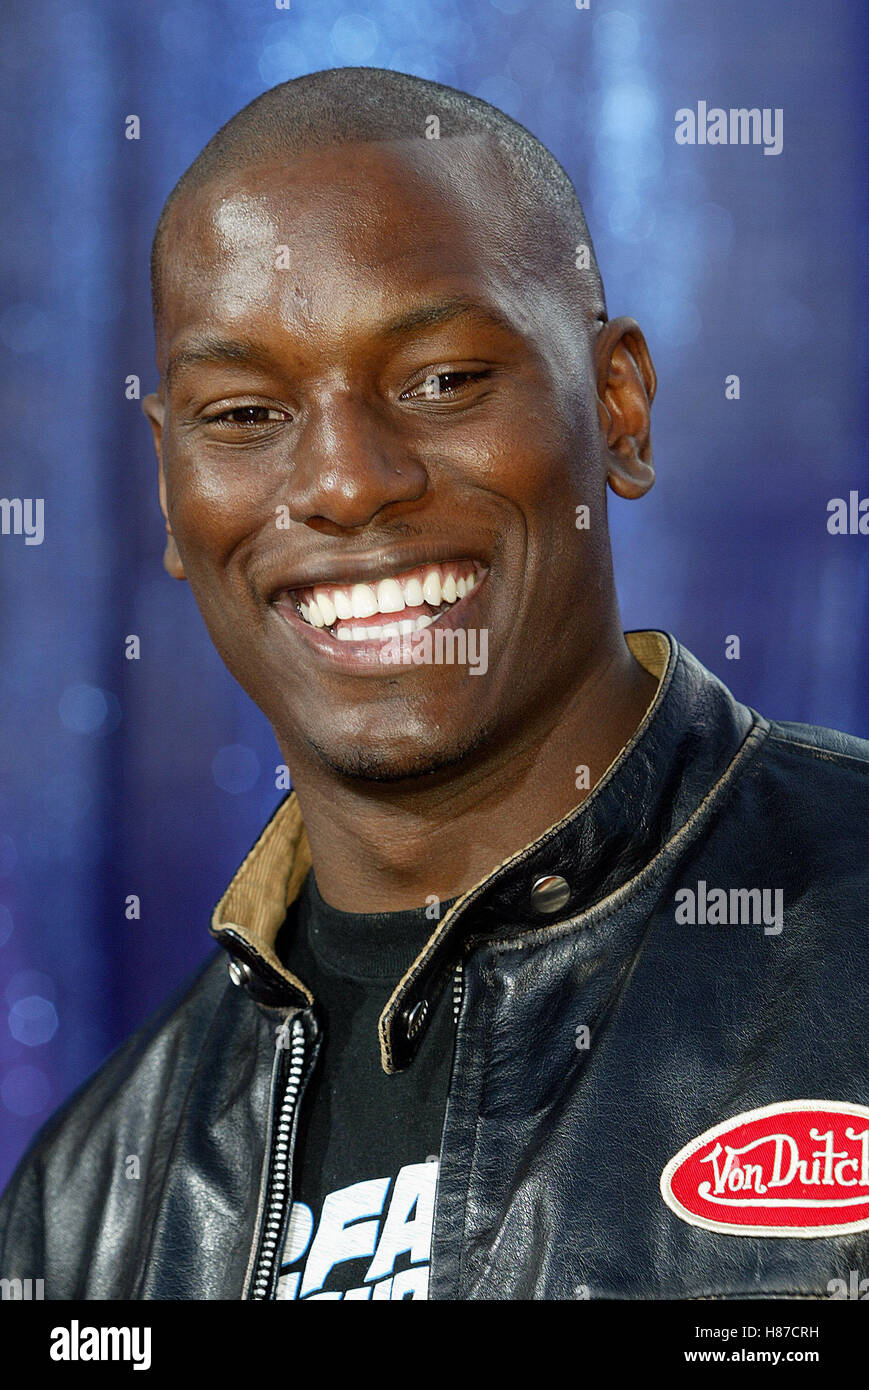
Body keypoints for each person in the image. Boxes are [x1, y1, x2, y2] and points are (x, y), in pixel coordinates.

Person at [1, 67, 867, 1302]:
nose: (347, 481)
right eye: (244, 412)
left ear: (617, 406)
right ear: (169, 489)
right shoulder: (86, 1208)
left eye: (443, 381)